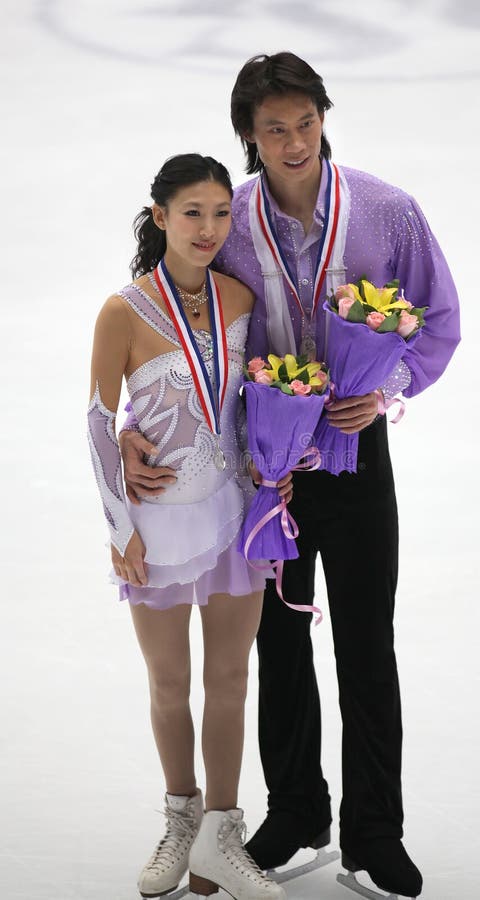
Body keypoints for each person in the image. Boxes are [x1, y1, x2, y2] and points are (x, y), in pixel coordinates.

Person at [120, 54, 461, 899]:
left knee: (366, 642)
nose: (295, 141)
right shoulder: (226, 220)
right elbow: (173, 323)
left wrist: (386, 386)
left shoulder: (385, 211)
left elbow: (439, 320)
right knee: (276, 642)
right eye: (275, 128)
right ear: (249, 134)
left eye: (306, 122)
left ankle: (376, 831)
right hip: (264, 468)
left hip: (355, 455)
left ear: (323, 119)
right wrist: (131, 426)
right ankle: (297, 809)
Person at [87, 152, 289, 900]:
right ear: (161, 216)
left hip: (235, 515)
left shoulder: (242, 298)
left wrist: (280, 459)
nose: (209, 229)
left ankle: (221, 839)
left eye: (221, 213)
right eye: (193, 213)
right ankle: (181, 819)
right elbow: (98, 420)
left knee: (230, 679)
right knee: (170, 680)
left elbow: (261, 396)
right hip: (159, 524)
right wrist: (121, 528)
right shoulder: (123, 311)